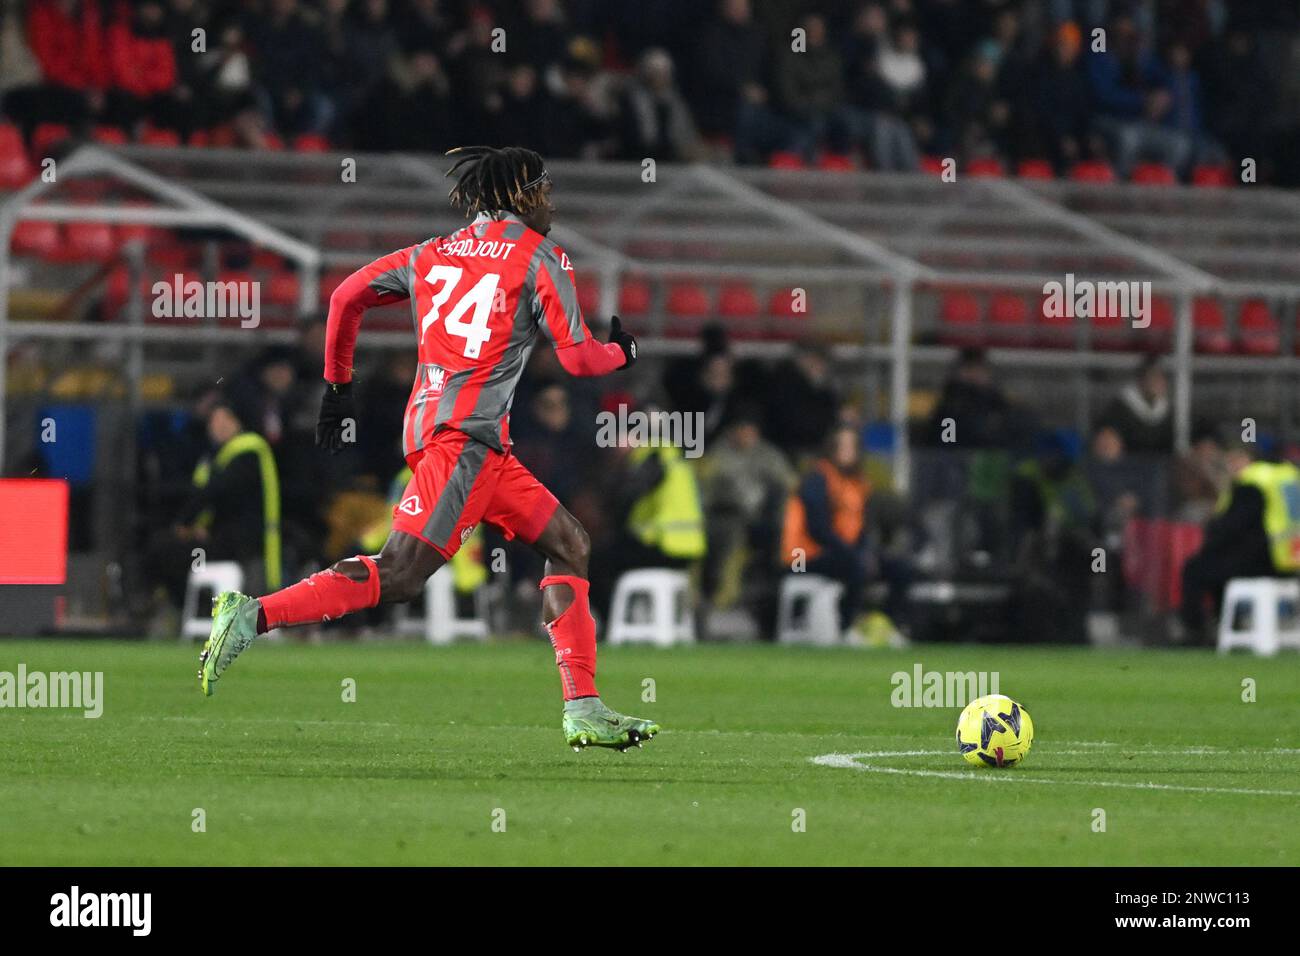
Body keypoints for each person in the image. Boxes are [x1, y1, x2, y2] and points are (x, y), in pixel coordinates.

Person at [198, 145, 659, 752]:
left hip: (458, 437)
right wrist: (622, 353)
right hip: (464, 444)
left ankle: (584, 707)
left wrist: (338, 390)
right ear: (519, 195)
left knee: (569, 543)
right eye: (544, 188)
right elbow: (578, 359)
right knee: (400, 575)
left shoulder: (431, 252)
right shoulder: (542, 256)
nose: (552, 200)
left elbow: (344, 298)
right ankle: (253, 615)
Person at [1179, 440, 1300, 643]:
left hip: (1265, 561)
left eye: (1237, 460)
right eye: (1230, 460)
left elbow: (1233, 527)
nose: (1232, 466)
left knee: (1195, 569)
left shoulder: (1251, 484)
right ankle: (1229, 626)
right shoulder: (1283, 476)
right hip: (1289, 559)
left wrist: (1211, 535)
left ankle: (1196, 632)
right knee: (1218, 568)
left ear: (1250, 460)